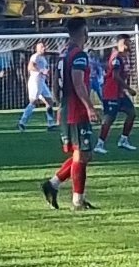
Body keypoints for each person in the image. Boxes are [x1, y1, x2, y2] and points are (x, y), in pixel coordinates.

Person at [40, 18, 98, 210]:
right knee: (82, 155)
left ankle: (53, 185)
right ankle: (77, 201)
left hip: (66, 109)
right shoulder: (79, 55)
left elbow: (56, 83)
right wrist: (89, 107)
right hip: (77, 111)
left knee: (82, 154)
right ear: (84, 32)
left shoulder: (64, 54)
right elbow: (78, 82)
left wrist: (59, 106)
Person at [93, 34, 138, 154]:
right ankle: (99, 144)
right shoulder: (116, 57)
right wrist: (129, 89)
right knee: (109, 118)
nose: (127, 45)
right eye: (124, 42)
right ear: (118, 43)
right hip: (111, 92)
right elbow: (115, 76)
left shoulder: (125, 56)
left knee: (131, 113)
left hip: (119, 93)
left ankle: (123, 140)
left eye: (128, 42)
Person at [17, 41, 58, 132]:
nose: (44, 48)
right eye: (42, 47)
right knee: (33, 102)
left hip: (41, 82)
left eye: (44, 46)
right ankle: (22, 122)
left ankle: (50, 124)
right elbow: (30, 67)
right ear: (37, 48)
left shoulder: (43, 58)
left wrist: (45, 74)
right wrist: (41, 71)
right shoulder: (35, 56)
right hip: (35, 81)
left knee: (50, 101)